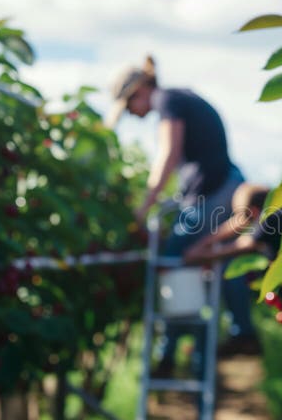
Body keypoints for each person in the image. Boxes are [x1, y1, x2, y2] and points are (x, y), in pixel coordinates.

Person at [108, 55, 253, 371]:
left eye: (130, 107)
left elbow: (168, 155)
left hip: (215, 192)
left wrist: (144, 207)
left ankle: (169, 353)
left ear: (139, 91)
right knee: (209, 260)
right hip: (222, 185)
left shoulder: (167, 100)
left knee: (174, 260)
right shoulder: (178, 98)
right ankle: (211, 345)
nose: (133, 114)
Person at [183, 184, 282, 356]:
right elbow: (239, 228)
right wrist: (205, 243)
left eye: (242, 216)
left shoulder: (274, 218)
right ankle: (242, 334)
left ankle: (244, 335)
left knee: (233, 271)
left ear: (254, 211)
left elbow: (240, 245)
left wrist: (197, 252)